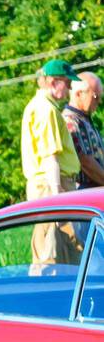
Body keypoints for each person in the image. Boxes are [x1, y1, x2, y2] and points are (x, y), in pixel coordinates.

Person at [21, 59, 83, 271]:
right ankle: (43, 299)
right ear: (54, 82)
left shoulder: (38, 106)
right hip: (51, 186)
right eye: (67, 83)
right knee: (50, 254)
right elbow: (50, 157)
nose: (70, 89)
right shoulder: (46, 110)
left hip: (49, 186)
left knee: (62, 250)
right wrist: (58, 199)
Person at [63, 71, 104, 188]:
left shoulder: (85, 119)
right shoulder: (70, 120)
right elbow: (85, 161)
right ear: (79, 94)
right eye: (96, 96)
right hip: (85, 189)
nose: (99, 101)